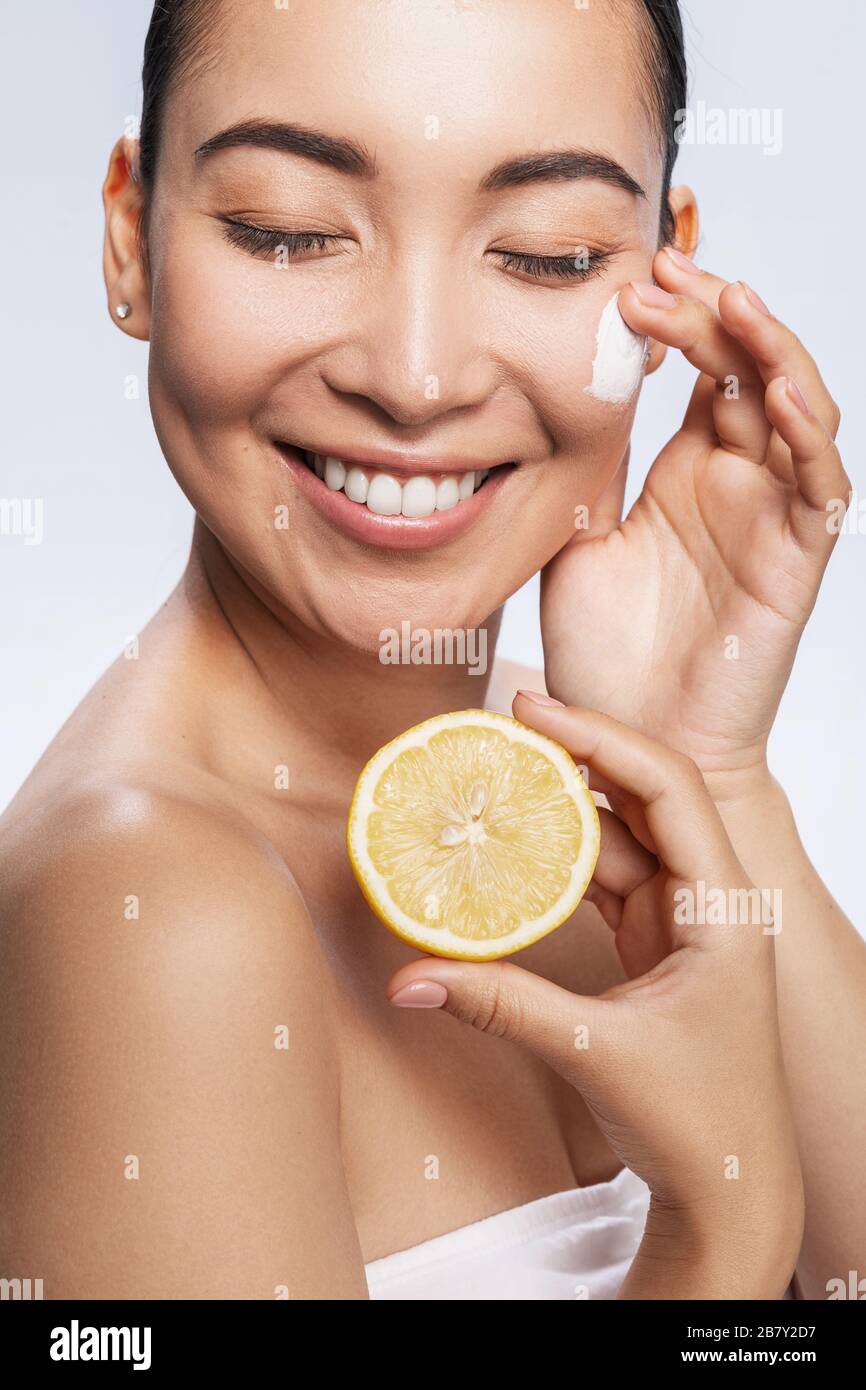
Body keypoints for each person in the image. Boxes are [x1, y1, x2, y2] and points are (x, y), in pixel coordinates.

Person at [1, 0, 862, 1300]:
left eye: (547, 254)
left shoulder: (576, 777)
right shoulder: (155, 919)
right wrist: (716, 1241)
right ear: (131, 236)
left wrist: (704, 761)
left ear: (664, 280)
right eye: (289, 230)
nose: (413, 376)